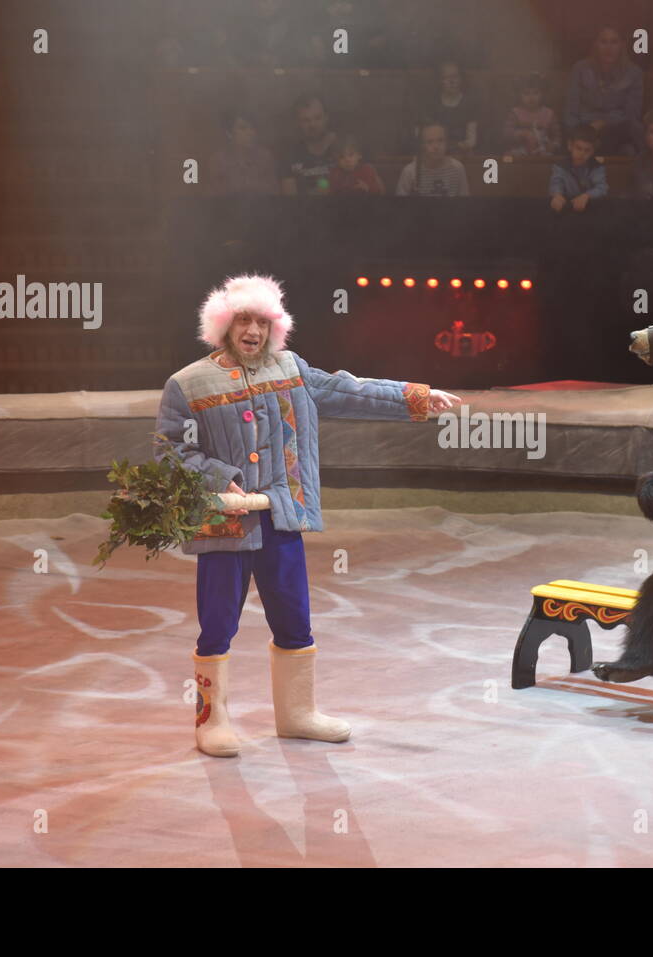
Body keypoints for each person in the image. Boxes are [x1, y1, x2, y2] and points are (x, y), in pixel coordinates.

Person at [155, 274, 460, 756]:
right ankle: (211, 721)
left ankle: (297, 715)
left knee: (294, 617)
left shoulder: (292, 370)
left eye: (261, 321)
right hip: (223, 520)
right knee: (217, 624)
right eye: (243, 321)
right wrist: (218, 478)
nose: (252, 330)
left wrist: (415, 396)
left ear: (273, 327)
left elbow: (351, 390)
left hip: (281, 514)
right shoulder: (188, 384)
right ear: (224, 326)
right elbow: (172, 451)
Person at [564, 25, 644, 156]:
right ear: (595, 44)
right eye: (603, 42)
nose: (609, 48)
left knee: (632, 137)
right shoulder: (580, 69)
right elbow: (570, 111)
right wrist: (583, 132)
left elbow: (632, 114)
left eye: (614, 42)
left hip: (618, 128)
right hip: (584, 127)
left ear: (622, 45)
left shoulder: (633, 73)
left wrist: (604, 123)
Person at [415, 60, 480, 155]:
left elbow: (472, 140)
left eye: (455, 77)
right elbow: (419, 134)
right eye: (446, 77)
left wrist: (459, 147)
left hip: (460, 154)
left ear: (461, 79)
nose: (451, 81)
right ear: (440, 81)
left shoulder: (470, 104)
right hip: (433, 153)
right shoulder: (431, 104)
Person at [207, 112, 279, 196]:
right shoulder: (218, 161)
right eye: (243, 128)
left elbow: (275, 194)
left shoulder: (265, 157)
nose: (251, 133)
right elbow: (212, 197)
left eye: (252, 128)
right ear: (229, 134)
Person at [280, 94, 338, 195]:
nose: (312, 125)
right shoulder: (290, 154)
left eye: (317, 118)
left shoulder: (345, 146)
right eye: (306, 120)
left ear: (326, 118)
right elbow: (289, 201)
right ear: (298, 123)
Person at [396, 122, 470, 196]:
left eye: (440, 140)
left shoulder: (458, 168)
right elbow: (400, 204)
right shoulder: (410, 172)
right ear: (422, 145)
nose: (436, 146)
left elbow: (465, 201)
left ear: (446, 143)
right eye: (429, 142)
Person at [549, 125, 608, 212]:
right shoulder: (560, 166)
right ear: (570, 146)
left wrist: (586, 196)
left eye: (587, 150)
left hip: (590, 207)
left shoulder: (596, 167)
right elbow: (556, 183)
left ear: (593, 151)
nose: (582, 153)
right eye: (578, 148)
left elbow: (602, 188)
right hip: (566, 206)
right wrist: (557, 195)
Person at [502, 73, 560, 158]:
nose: (531, 97)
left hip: (542, 151)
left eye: (535, 93)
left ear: (542, 94)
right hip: (520, 152)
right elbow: (506, 133)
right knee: (509, 157)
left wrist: (552, 146)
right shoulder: (515, 113)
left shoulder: (549, 114)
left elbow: (557, 137)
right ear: (519, 95)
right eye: (526, 93)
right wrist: (523, 134)